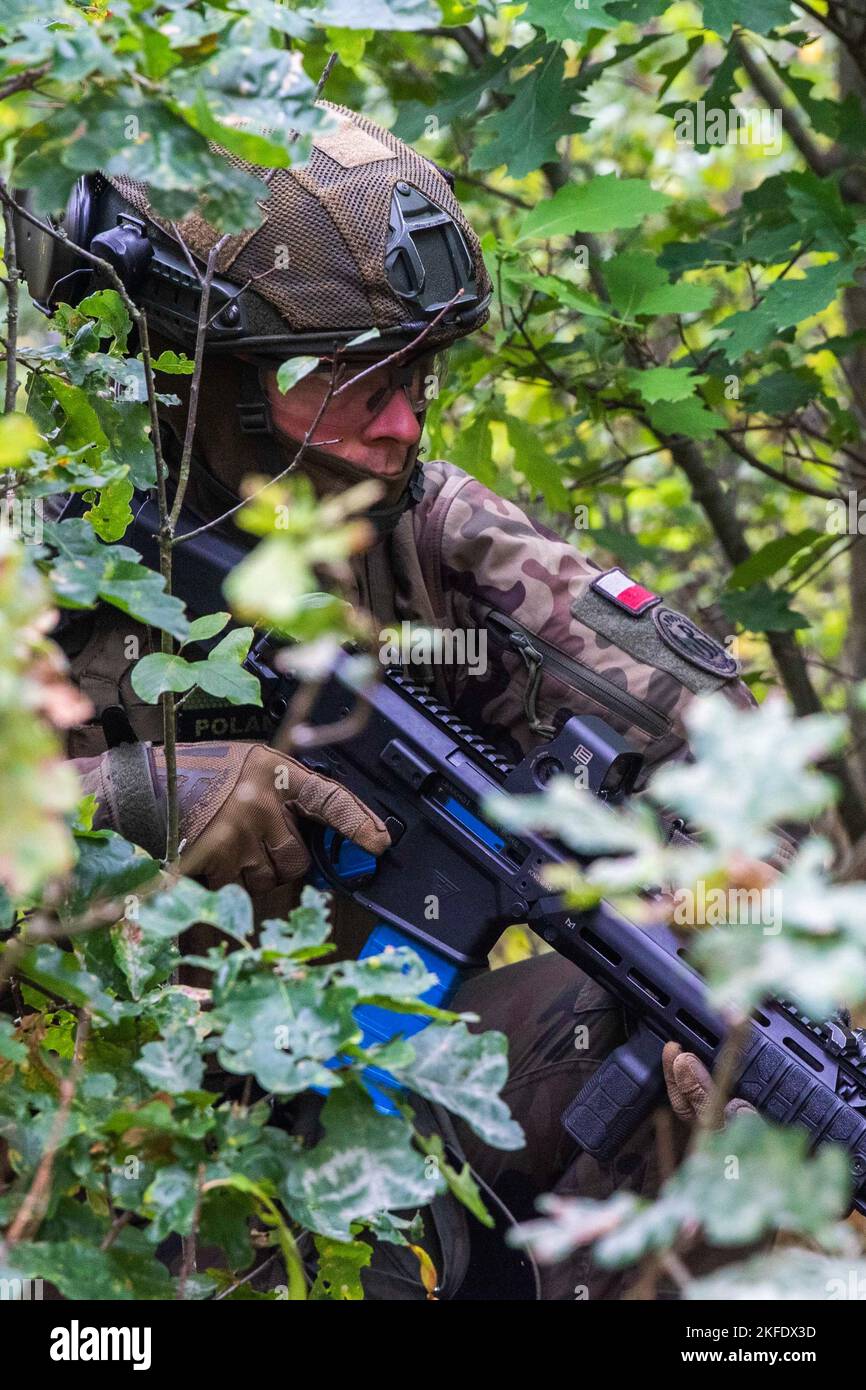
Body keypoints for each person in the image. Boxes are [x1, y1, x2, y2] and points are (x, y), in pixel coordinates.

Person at [32, 103, 759, 1298]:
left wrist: (726, 925)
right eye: (350, 378)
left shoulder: (420, 521)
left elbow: (712, 734)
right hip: (86, 1126)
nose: (403, 423)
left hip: (361, 1068)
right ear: (184, 367)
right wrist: (121, 798)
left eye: (417, 370)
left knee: (701, 1050)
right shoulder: (31, 533)